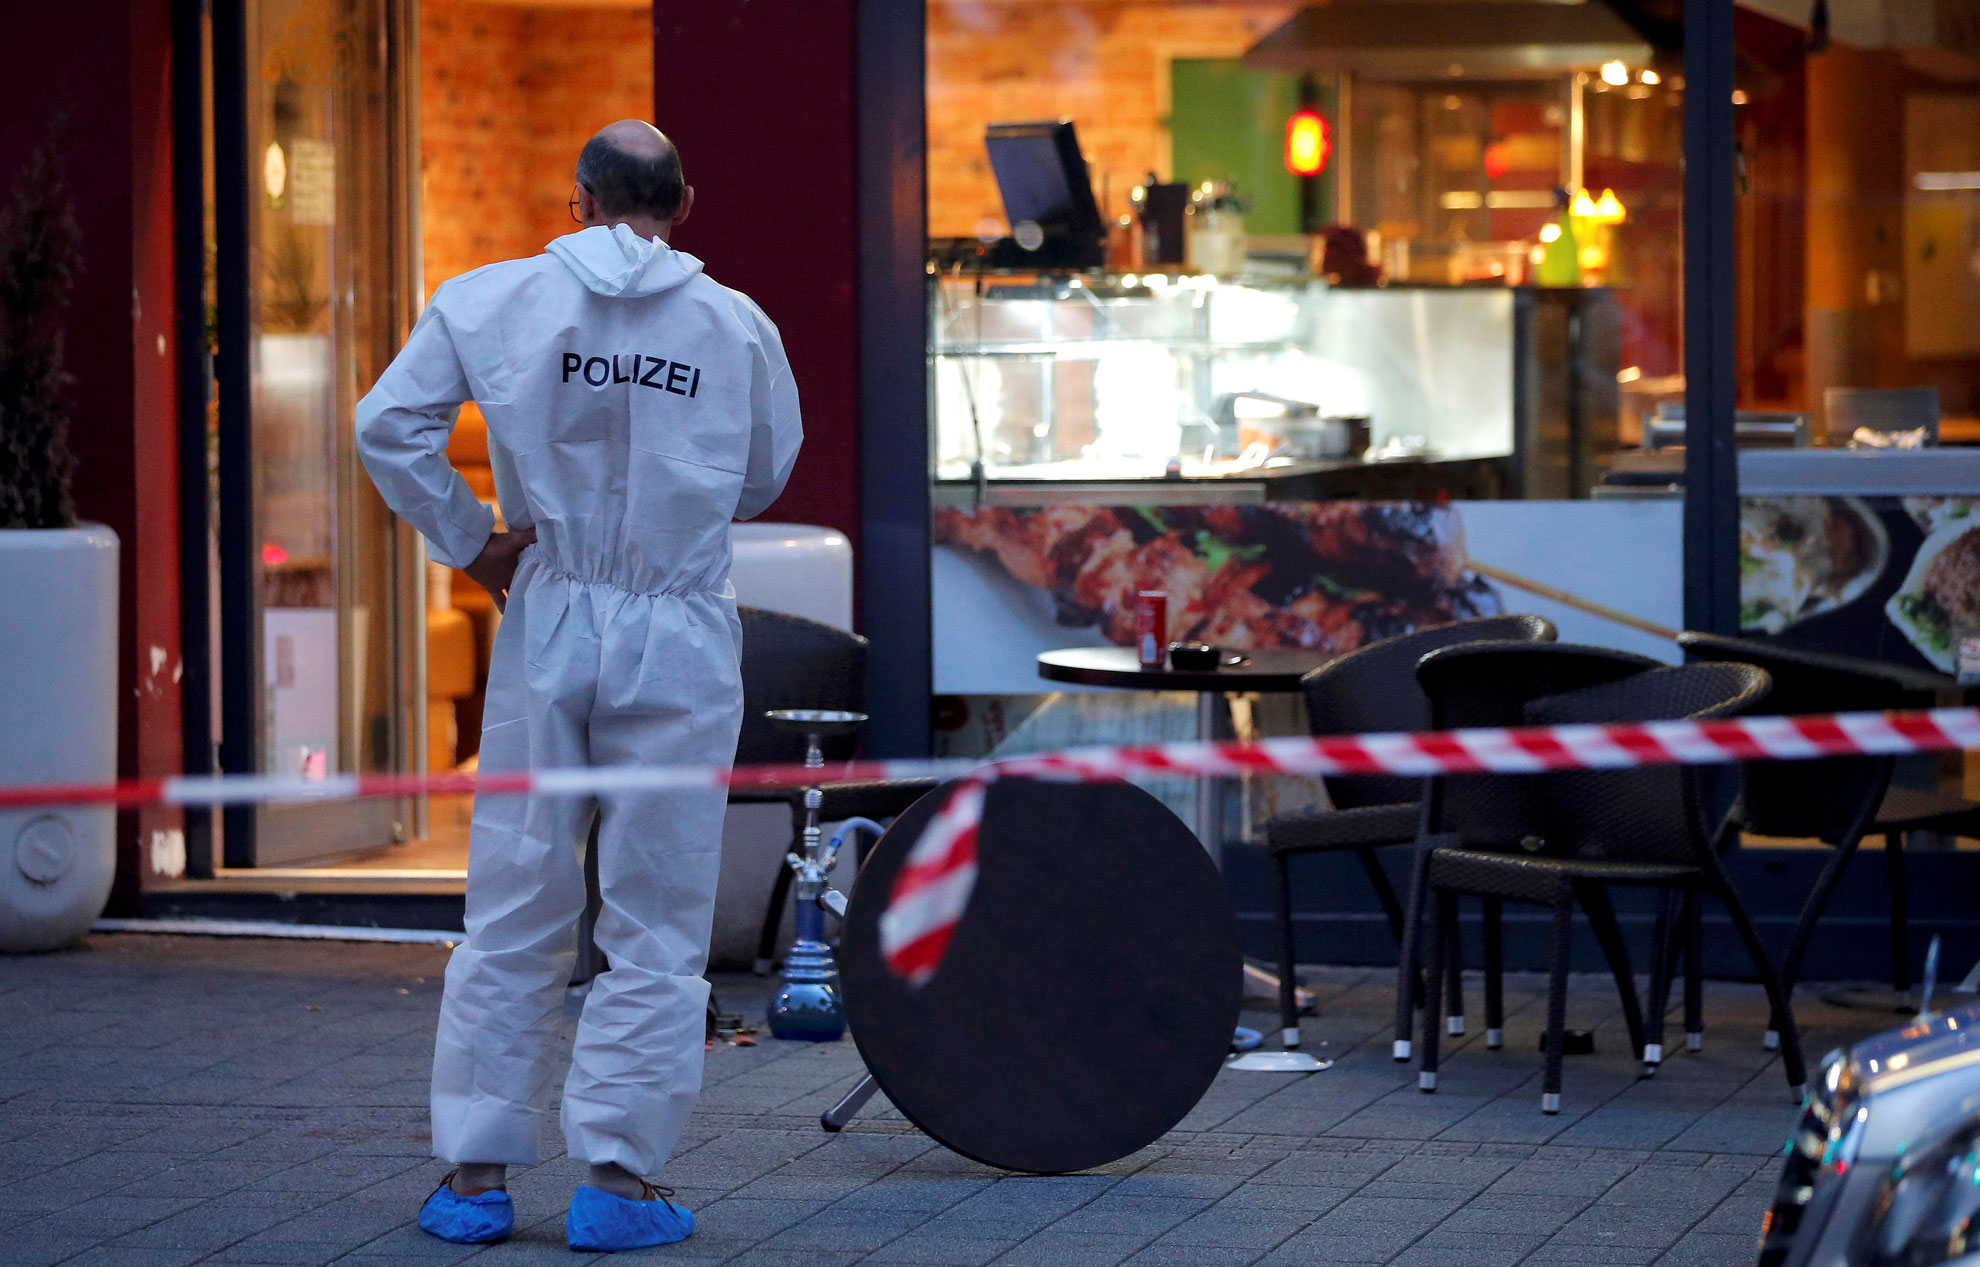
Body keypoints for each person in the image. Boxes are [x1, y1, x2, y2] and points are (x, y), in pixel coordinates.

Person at [356, 119, 802, 1253]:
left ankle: (473, 1177)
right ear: (684, 203)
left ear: (577, 200)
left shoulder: (489, 299)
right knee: (655, 916)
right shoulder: (735, 323)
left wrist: (475, 541)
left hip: (550, 608)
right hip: (681, 622)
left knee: (513, 895)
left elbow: (386, 426)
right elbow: (760, 476)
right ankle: (616, 1178)